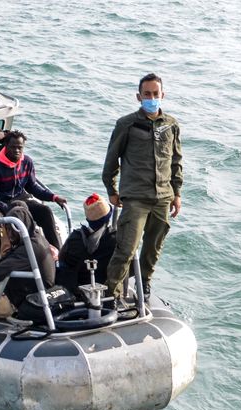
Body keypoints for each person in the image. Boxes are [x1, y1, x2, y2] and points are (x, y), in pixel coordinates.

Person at [101, 72, 183, 303]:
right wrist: (112, 190)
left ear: (163, 95)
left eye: (155, 94)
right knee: (126, 249)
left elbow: (176, 161)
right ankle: (112, 294)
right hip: (135, 197)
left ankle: (144, 282)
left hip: (163, 197)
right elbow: (111, 159)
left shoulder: (171, 125)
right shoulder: (126, 124)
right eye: (147, 94)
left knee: (153, 248)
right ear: (139, 96)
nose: (151, 98)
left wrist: (177, 194)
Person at [0, 130, 67, 247]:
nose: (17, 150)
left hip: (21, 199)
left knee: (45, 211)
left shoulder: (27, 162)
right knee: (15, 218)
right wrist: (7, 208)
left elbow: (32, 187)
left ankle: (57, 250)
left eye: (20, 147)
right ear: (6, 146)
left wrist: (54, 197)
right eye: (13, 147)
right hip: (2, 203)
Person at [55, 193, 117, 292]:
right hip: (104, 288)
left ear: (88, 219)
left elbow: (62, 260)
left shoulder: (74, 238)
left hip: (76, 290)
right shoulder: (115, 239)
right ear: (108, 218)